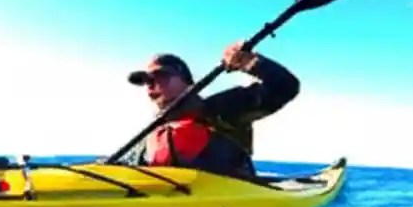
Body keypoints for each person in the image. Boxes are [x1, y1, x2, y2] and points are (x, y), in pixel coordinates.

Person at [121, 40, 300, 177]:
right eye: (147, 82)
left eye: (160, 77)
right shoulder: (151, 135)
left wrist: (249, 62)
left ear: (187, 83)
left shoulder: (223, 109)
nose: (151, 86)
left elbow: (285, 86)